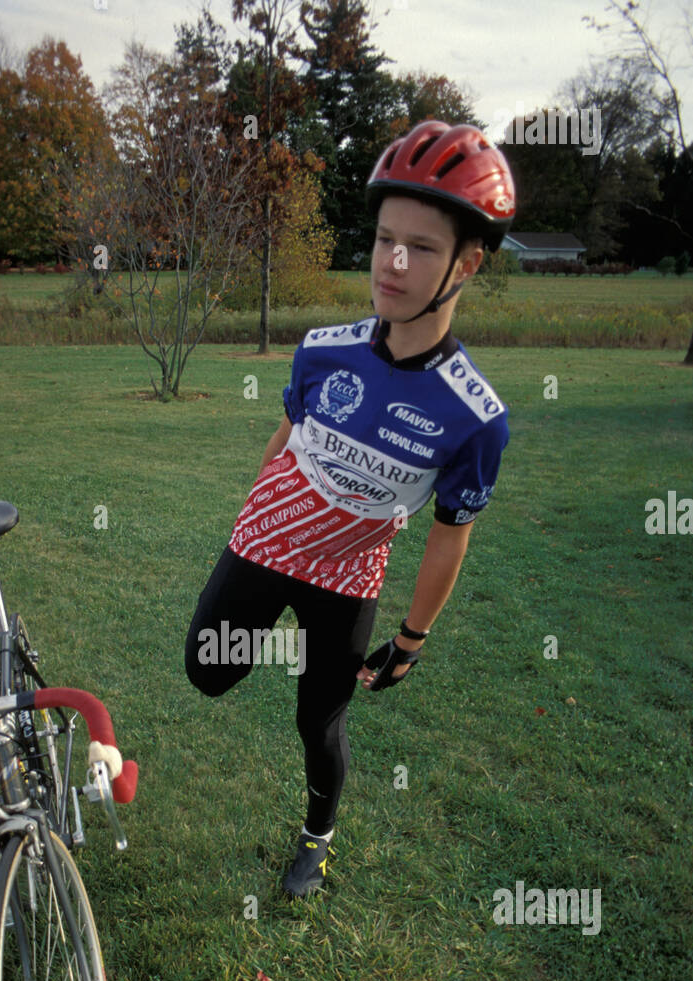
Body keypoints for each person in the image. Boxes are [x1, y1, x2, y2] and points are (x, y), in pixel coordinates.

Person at [185, 121, 516, 898]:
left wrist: (410, 638)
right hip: (264, 545)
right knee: (207, 673)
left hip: (347, 575)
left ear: (466, 263)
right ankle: (284, 643)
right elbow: (287, 435)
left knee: (317, 721)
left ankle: (315, 837)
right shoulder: (322, 348)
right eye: (383, 240)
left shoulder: (475, 416)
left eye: (422, 248)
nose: (393, 264)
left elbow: (448, 536)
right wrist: (254, 506)